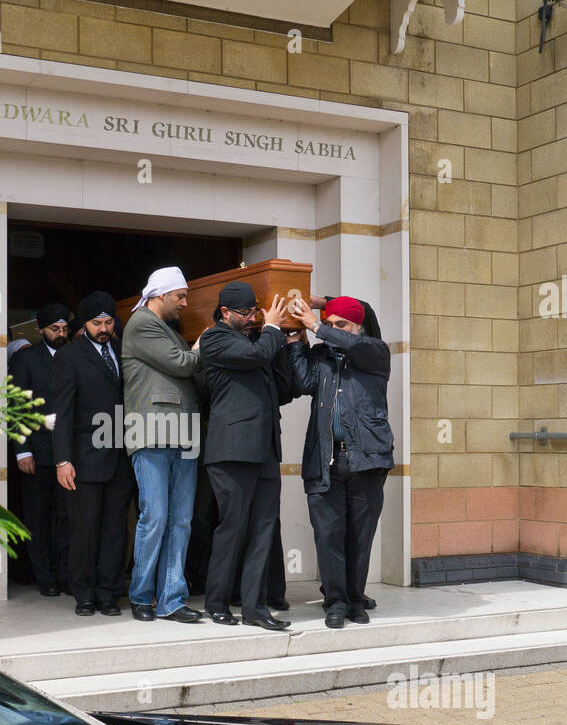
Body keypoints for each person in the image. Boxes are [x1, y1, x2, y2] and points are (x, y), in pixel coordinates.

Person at [286, 294, 394, 628]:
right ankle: (335, 602)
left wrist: (316, 322)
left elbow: (356, 340)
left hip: (367, 460)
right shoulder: (322, 356)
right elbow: (302, 383)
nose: (333, 331)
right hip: (324, 461)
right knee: (329, 536)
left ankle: (355, 599)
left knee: (360, 537)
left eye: (341, 325)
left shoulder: (375, 351)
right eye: (330, 325)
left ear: (358, 327)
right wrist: (296, 339)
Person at [198, 282, 291, 631]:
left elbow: (284, 388)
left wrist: (287, 343)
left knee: (264, 529)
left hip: (265, 449)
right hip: (233, 450)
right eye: (247, 313)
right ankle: (217, 602)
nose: (253, 318)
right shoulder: (215, 339)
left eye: (255, 312)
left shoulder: (260, 343)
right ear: (225, 313)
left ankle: (255, 607)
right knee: (232, 528)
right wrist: (272, 330)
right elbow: (255, 356)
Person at [121, 266, 204, 623]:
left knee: (180, 520)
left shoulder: (166, 328)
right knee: (155, 517)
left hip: (182, 433)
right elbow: (183, 365)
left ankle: (171, 598)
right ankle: (141, 595)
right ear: (160, 295)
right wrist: (203, 344)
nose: (185, 303)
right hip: (152, 432)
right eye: (180, 296)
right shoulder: (141, 323)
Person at [51, 291, 133, 617]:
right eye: (97, 323)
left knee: (115, 528)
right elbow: (61, 412)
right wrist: (62, 460)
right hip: (83, 459)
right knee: (84, 529)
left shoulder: (123, 351)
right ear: (84, 324)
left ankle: (108, 593)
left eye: (108, 321)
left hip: (120, 457)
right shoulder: (69, 357)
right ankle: (83, 593)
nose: (103, 328)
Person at [10, 304, 71, 596]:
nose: (60, 334)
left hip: (66, 453)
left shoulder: (73, 355)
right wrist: (22, 450)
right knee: (37, 517)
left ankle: (63, 574)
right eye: (54, 329)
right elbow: (16, 405)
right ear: (41, 330)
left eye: (64, 329)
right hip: (36, 450)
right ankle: (44, 577)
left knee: (64, 517)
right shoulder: (26, 359)